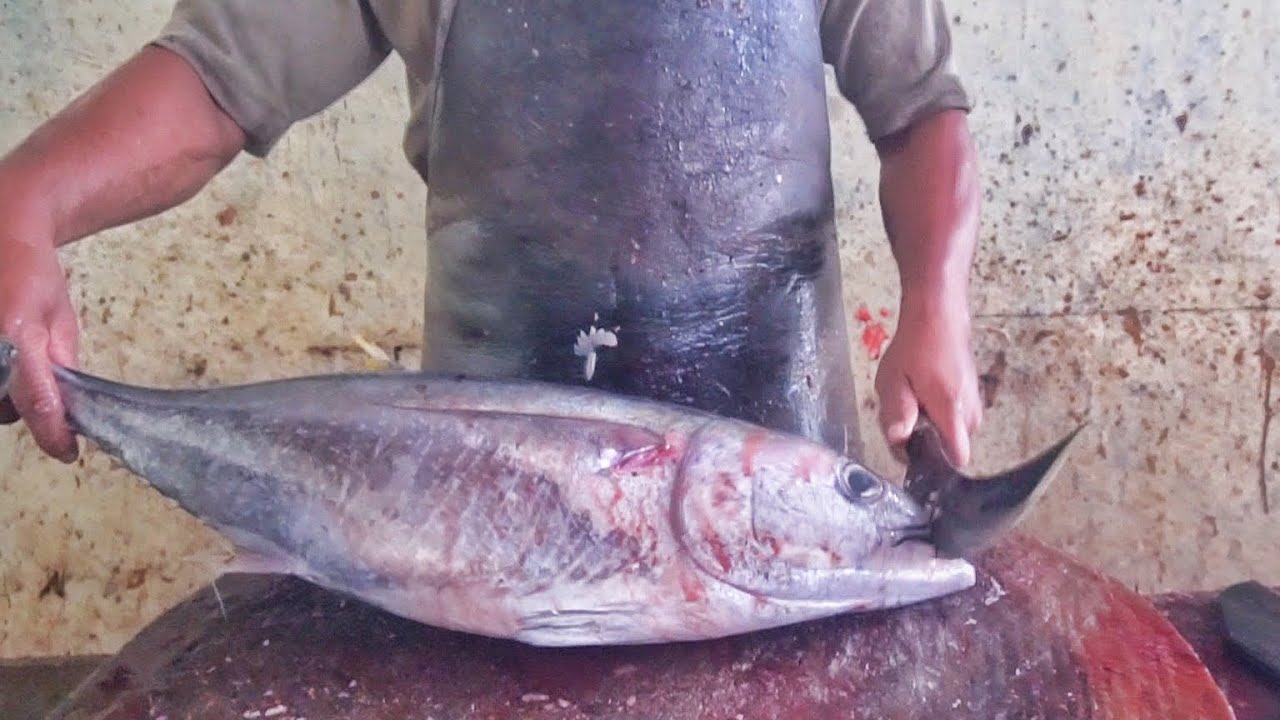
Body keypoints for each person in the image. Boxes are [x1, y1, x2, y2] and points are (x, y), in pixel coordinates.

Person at [0, 0, 982, 473]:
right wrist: (23, 204)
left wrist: (934, 305)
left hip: (780, 468)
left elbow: (918, 109)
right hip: (495, 496)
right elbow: (216, 81)